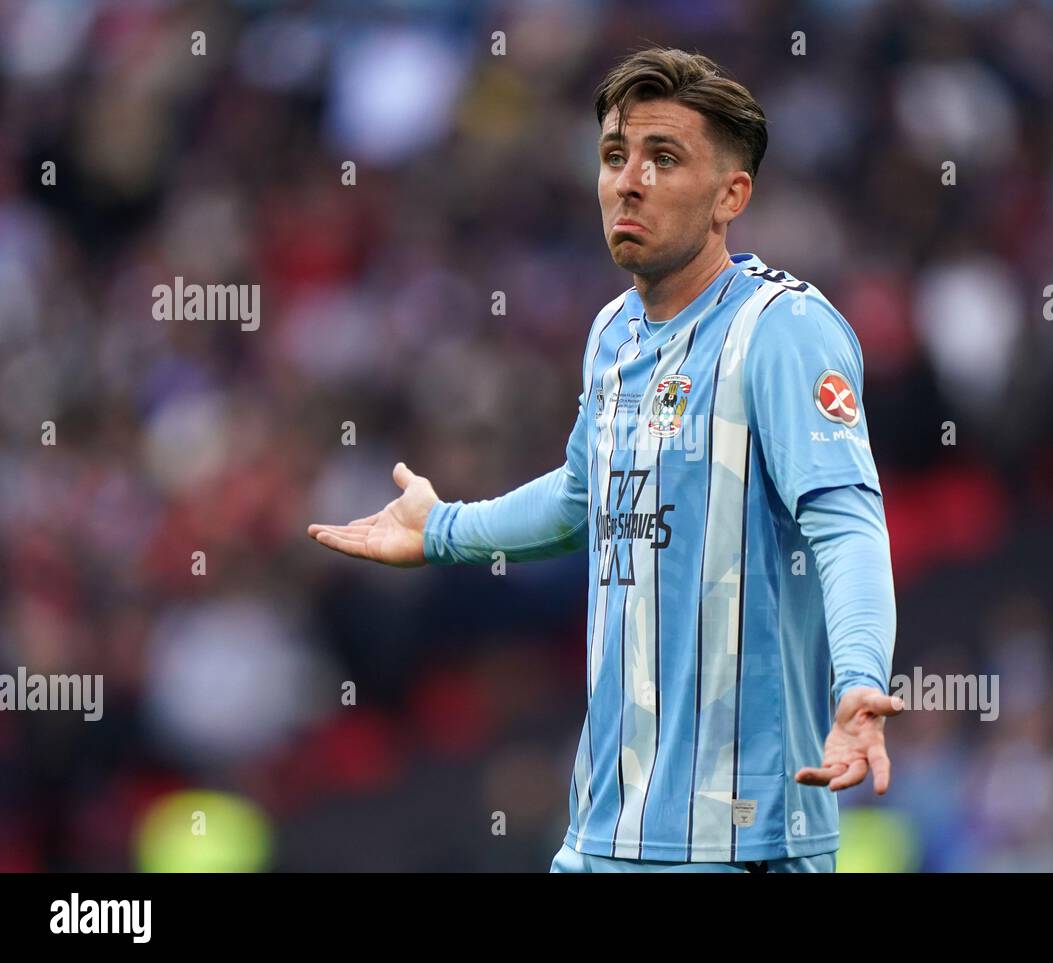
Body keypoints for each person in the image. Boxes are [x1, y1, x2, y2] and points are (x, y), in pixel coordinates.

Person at [308, 46, 901, 873]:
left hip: (739, 836)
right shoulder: (611, 335)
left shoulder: (782, 330)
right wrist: (444, 527)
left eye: (665, 159)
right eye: (615, 156)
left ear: (732, 194)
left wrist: (861, 677)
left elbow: (847, 525)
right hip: (605, 829)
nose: (630, 180)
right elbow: (584, 497)